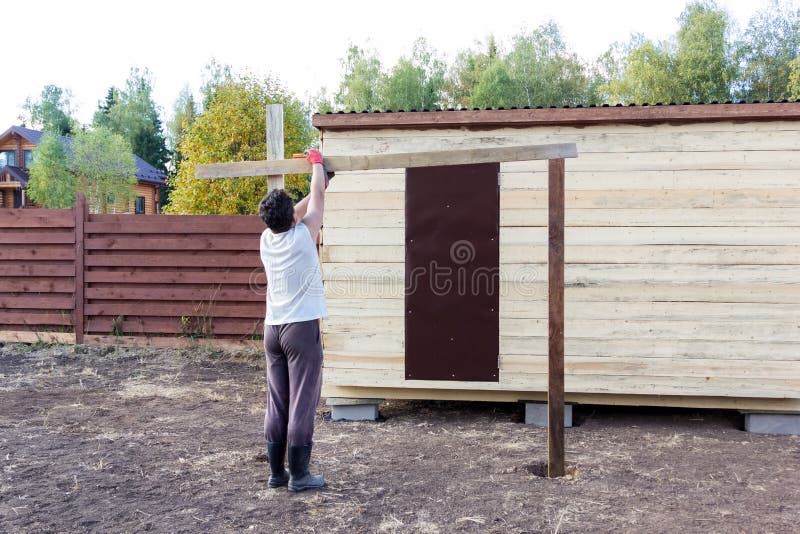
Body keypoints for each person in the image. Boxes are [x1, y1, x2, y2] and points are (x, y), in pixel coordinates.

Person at [258, 148, 329, 492]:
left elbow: (299, 210)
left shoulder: (266, 239)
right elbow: (316, 203)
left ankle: (277, 473)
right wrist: (317, 165)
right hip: (300, 330)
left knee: (278, 401)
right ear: (291, 219)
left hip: (272, 330)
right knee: (302, 401)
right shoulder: (302, 237)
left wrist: (321, 181)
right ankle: (299, 476)